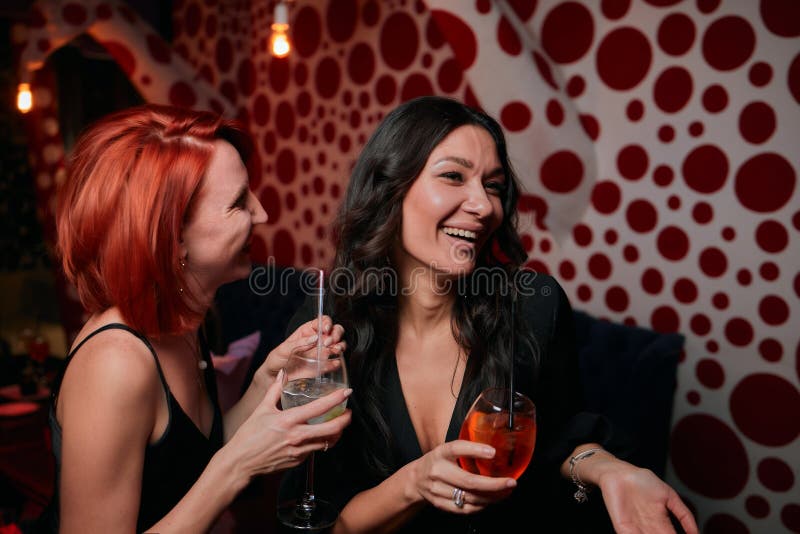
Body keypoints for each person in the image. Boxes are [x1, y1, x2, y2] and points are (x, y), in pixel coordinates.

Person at [282, 96, 698, 533]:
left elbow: (558, 437)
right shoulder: (327, 325)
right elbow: (317, 518)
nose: (483, 206)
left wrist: (609, 469)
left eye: (494, 186)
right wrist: (414, 484)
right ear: (390, 189)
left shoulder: (532, 306)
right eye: (453, 176)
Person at [41, 104, 351, 533]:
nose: (262, 214)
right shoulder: (116, 363)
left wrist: (270, 376)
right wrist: (236, 467)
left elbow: (191, 456)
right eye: (239, 202)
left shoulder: (184, 319)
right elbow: (219, 466)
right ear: (174, 239)